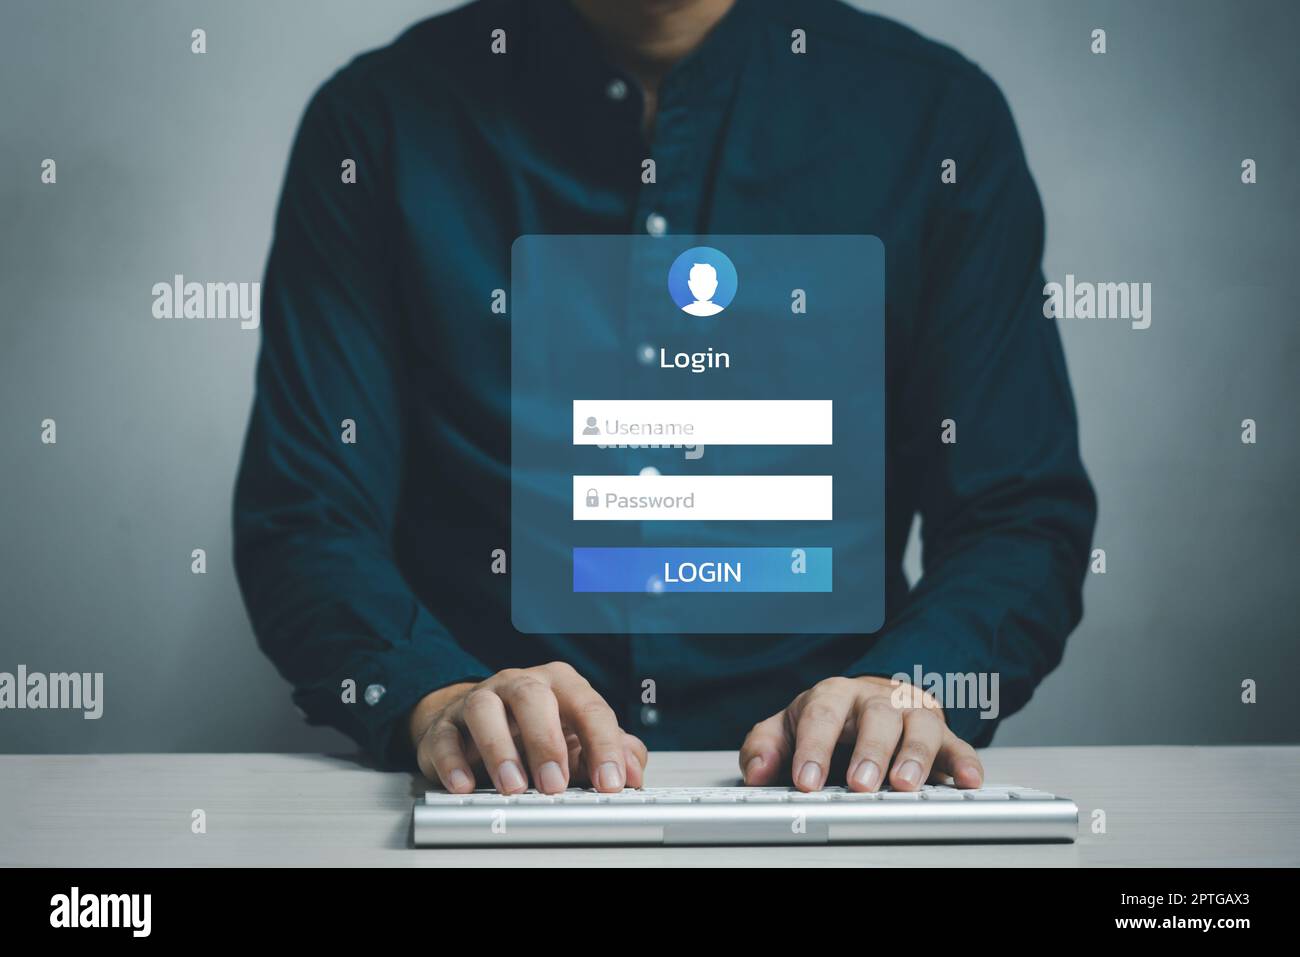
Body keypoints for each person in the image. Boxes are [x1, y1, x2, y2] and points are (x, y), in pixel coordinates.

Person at [234, 0, 1096, 796]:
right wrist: (437, 691)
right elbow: (309, 511)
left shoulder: (936, 120)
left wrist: (905, 685)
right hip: (493, 797)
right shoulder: (376, 126)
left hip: (833, 792)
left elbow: (1015, 510)